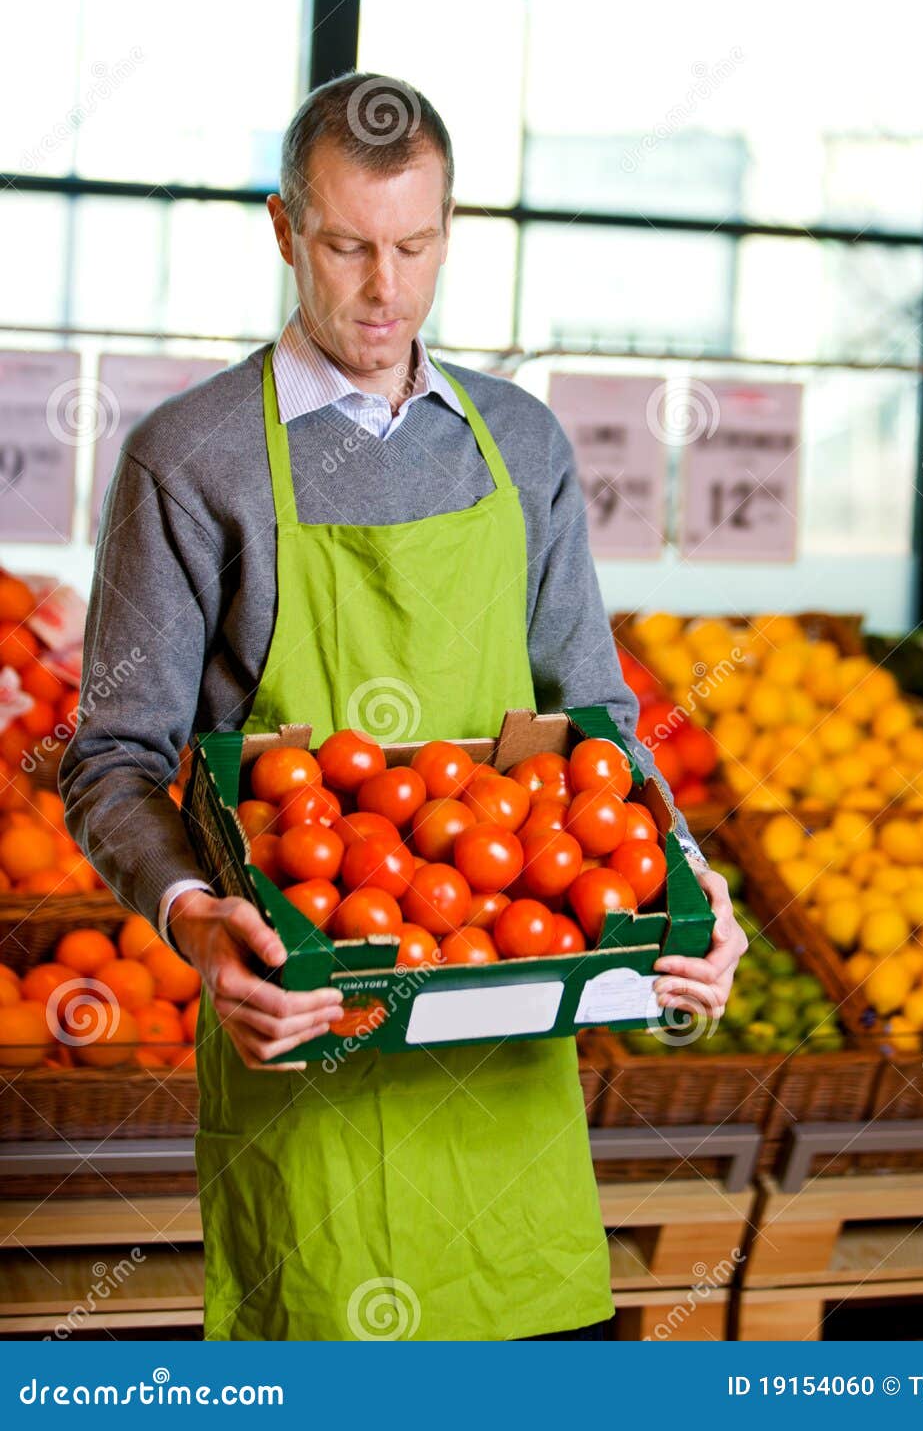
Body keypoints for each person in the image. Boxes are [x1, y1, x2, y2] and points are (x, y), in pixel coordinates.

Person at [61, 71, 746, 1342]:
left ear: (447, 234)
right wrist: (196, 920)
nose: (384, 289)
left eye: (415, 247)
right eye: (347, 247)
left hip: (509, 1044)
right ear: (283, 232)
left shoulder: (521, 444)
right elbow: (109, 757)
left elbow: (592, 714)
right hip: (313, 1037)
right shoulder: (189, 456)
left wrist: (689, 884)